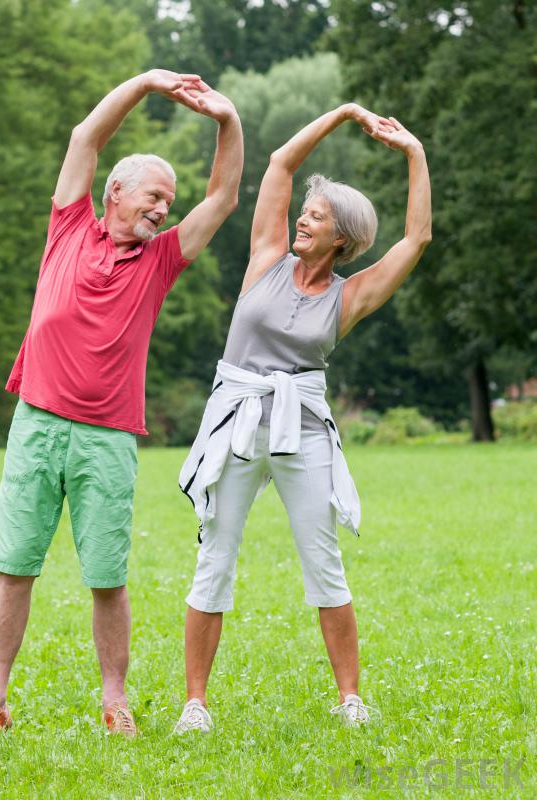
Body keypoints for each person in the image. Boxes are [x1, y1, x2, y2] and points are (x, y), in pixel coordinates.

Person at [0, 69, 243, 738]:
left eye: (168, 201)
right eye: (155, 195)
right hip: (36, 423)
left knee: (106, 577)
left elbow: (225, 197)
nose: (162, 208)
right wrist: (147, 83)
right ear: (114, 192)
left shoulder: (161, 261)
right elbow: (85, 136)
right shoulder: (68, 227)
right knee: (14, 568)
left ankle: (115, 701)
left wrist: (227, 121)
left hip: (108, 437)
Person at [176, 104, 431, 733]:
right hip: (238, 418)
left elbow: (416, 238)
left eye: (314, 217)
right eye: (305, 212)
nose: (301, 220)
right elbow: (280, 164)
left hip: (303, 427)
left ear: (339, 236)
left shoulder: (351, 295)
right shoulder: (266, 258)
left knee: (324, 562)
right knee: (216, 558)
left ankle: (350, 700)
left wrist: (415, 155)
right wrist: (341, 115)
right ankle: (195, 706)